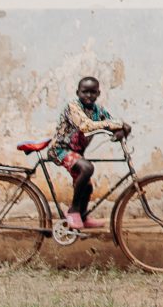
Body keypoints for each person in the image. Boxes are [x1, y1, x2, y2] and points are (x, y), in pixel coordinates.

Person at [46, 76, 129, 230]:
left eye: (93, 92)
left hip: (77, 153)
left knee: (87, 187)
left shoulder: (98, 110)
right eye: (85, 92)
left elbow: (112, 123)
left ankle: (82, 216)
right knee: (87, 168)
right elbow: (86, 125)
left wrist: (122, 130)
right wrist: (118, 124)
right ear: (78, 92)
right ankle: (73, 210)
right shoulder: (73, 107)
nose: (89, 96)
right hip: (60, 149)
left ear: (98, 93)